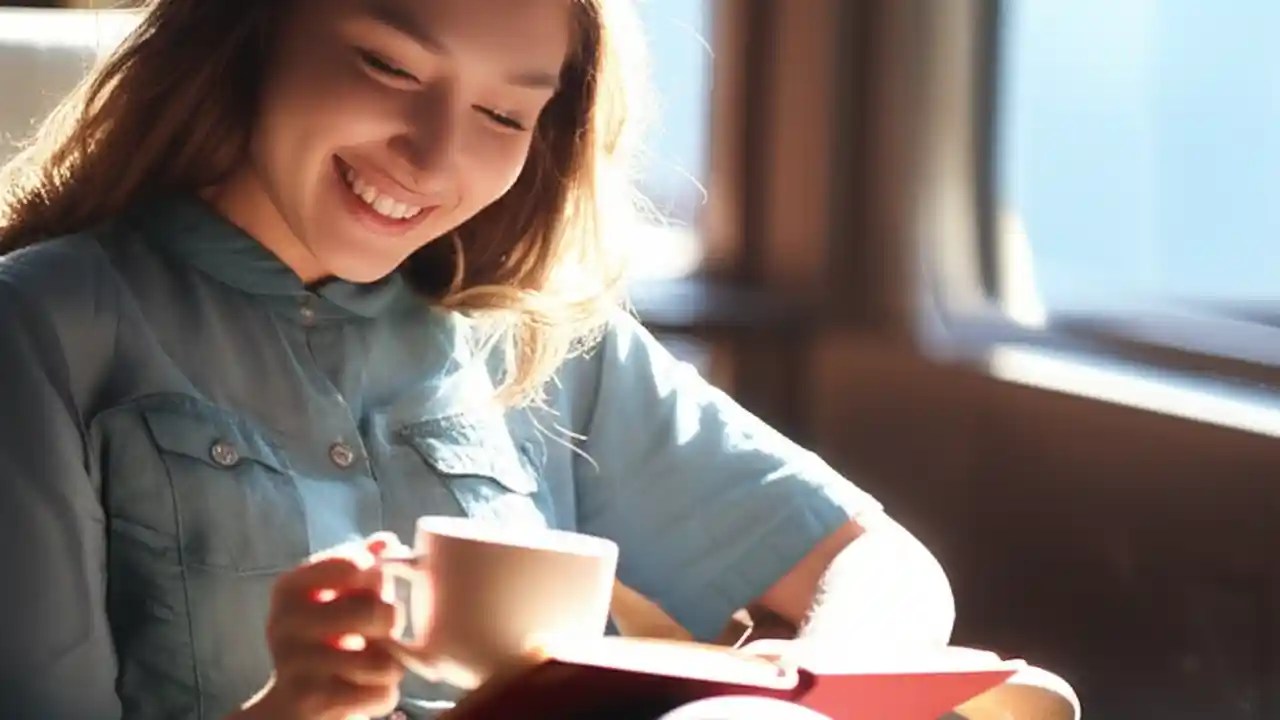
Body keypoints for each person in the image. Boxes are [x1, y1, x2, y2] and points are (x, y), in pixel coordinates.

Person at [0, 1, 954, 718]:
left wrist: (784, 700)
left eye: (504, 117)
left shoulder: (544, 341)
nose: (431, 158)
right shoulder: (40, 328)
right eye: (388, 65)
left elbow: (883, 567)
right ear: (256, 29)